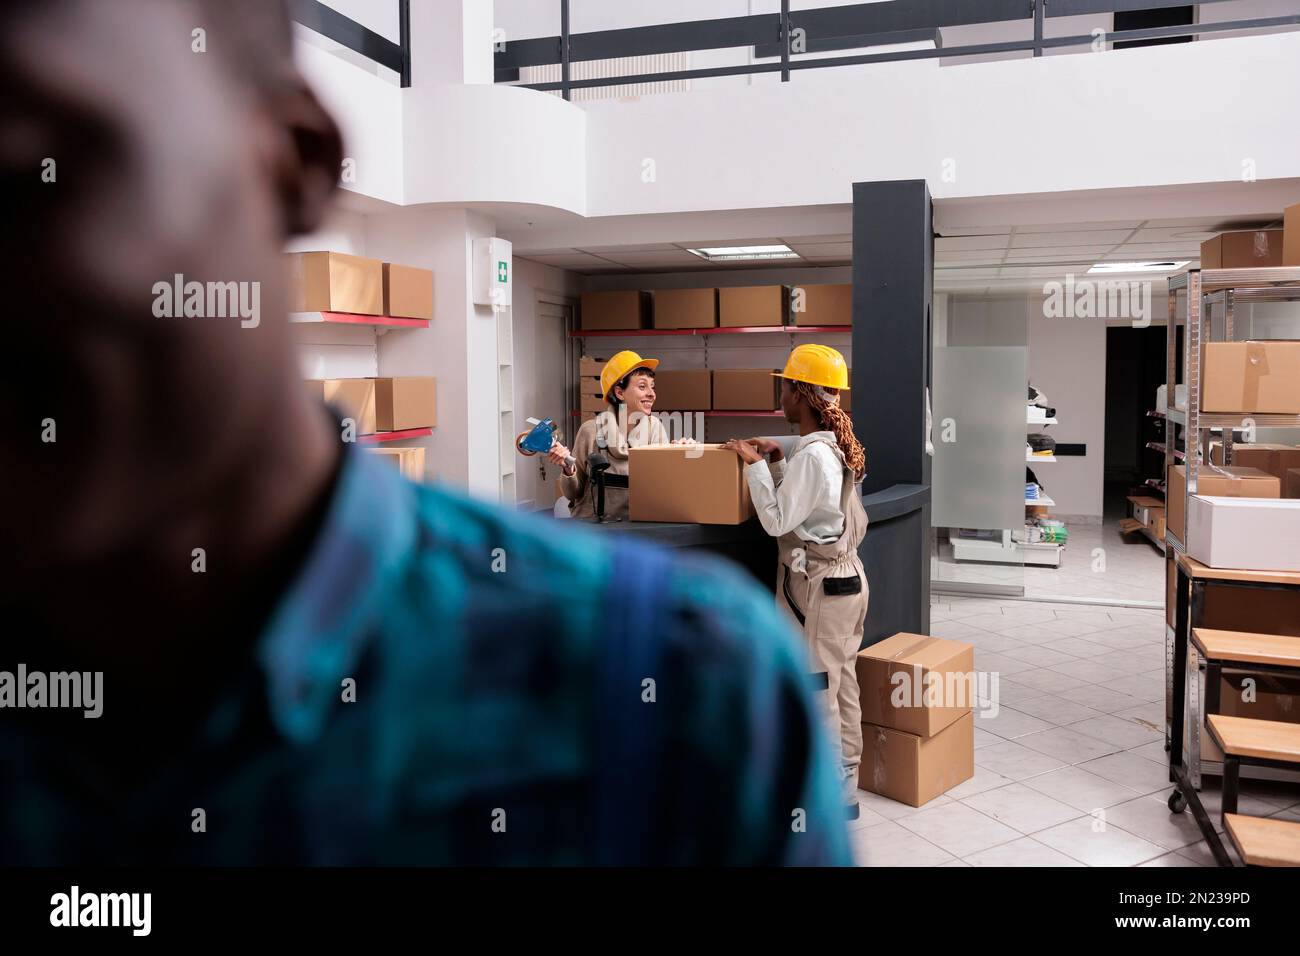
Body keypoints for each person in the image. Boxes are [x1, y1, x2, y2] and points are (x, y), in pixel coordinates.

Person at [0, 0, 851, 865]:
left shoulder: (680, 693)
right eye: (634, 378)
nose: (643, 387)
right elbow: (579, 486)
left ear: (295, 158)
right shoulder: (601, 438)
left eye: (28, 168)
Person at [723, 345, 869, 816]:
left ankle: (826, 795)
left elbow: (779, 520)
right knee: (843, 682)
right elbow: (814, 510)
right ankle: (846, 783)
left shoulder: (813, 456)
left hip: (823, 588)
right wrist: (778, 459)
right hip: (849, 581)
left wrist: (754, 466)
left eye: (785, 386)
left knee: (817, 686)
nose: (780, 395)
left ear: (801, 394)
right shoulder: (830, 447)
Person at [549, 350, 676, 520]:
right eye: (642, 386)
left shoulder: (656, 429)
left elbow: (664, 488)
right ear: (619, 392)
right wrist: (568, 469)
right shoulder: (591, 431)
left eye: (652, 386)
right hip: (594, 532)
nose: (651, 394)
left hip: (639, 530)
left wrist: (678, 455)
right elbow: (573, 493)